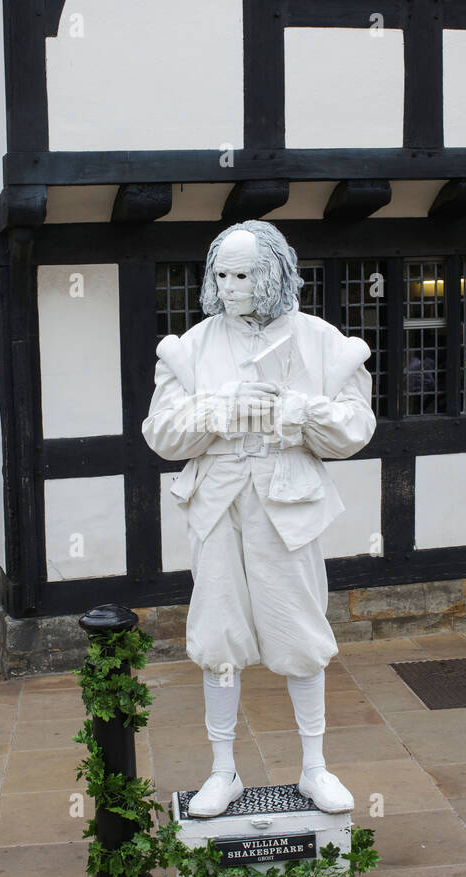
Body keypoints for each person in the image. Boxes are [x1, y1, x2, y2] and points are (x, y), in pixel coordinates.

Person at [142, 221, 376, 816]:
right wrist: (220, 409)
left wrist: (294, 411)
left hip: (286, 503)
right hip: (218, 503)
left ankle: (315, 767)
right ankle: (223, 770)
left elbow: (355, 427)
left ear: (273, 273)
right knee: (217, 633)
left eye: (243, 274)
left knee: (300, 630)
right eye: (221, 274)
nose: (231, 286)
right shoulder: (189, 347)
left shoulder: (321, 340)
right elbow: (161, 433)